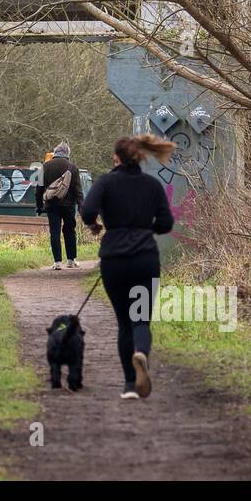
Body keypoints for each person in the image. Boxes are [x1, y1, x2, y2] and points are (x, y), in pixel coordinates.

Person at [80, 134, 175, 400]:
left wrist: (98, 225)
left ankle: (130, 386)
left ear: (117, 157)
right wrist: (145, 229)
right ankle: (141, 353)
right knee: (140, 319)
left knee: (123, 323)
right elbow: (166, 224)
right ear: (140, 157)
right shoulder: (152, 185)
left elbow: (87, 211)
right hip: (145, 258)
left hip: (114, 260)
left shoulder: (106, 182)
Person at [35, 141, 84, 270]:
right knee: (69, 231)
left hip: (51, 205)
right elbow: (78, 190)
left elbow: (39, 189)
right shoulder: (72, 168)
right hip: (68, 206)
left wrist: (39, 206)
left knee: (54, 232)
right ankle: (71, 260)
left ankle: (57, 262)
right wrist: (81, 206)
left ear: (55, 153)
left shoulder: (45, 167)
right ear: (67, 153)